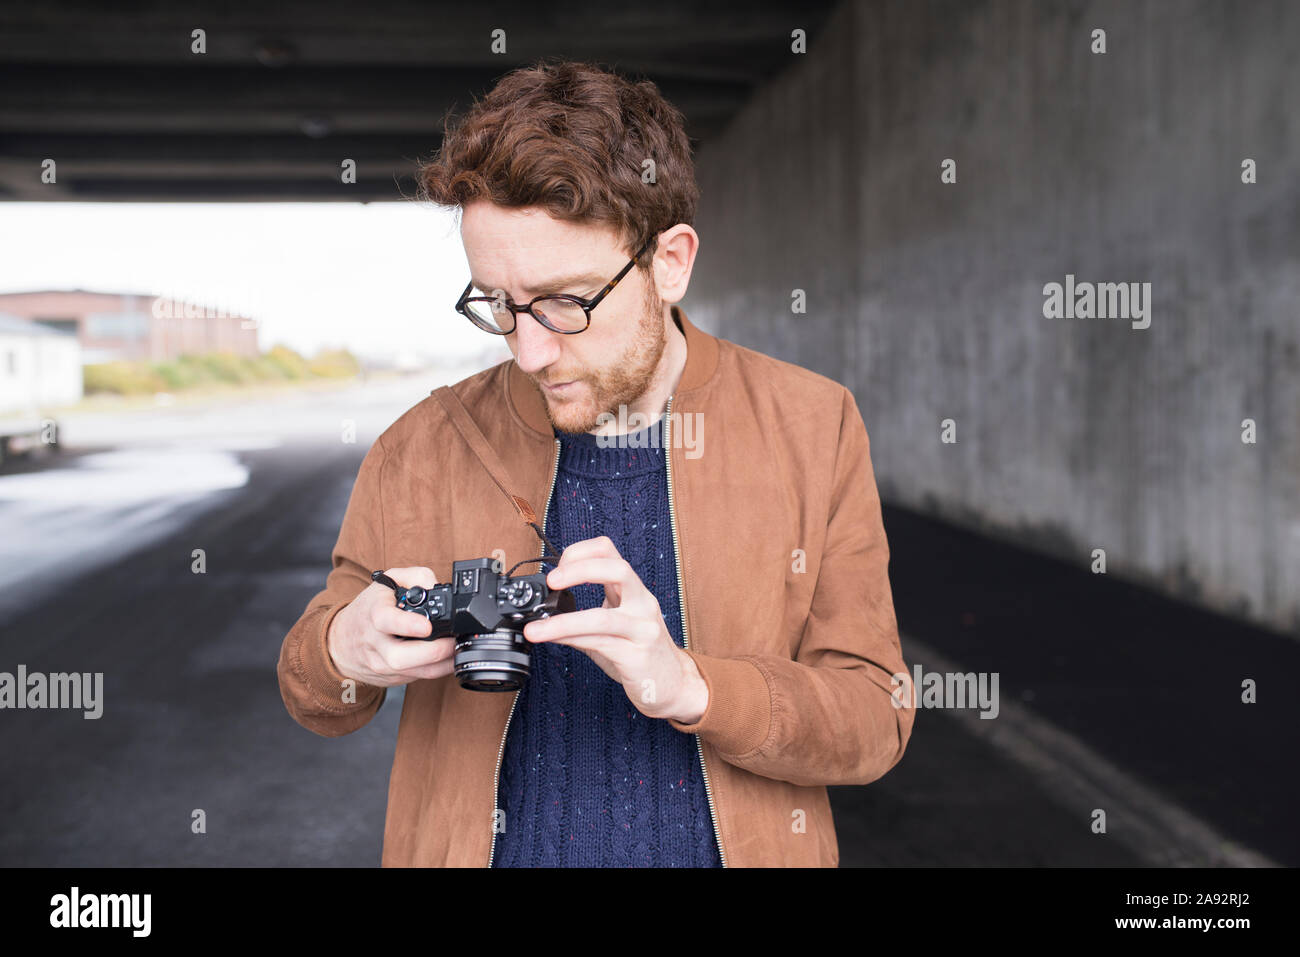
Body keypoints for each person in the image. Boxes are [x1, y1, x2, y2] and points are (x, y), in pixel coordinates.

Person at [276, 58, 914, 867]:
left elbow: (875, 718)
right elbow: (313, 693)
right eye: (498, 304)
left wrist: (692, 685)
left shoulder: (813, 424)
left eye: (566, 301)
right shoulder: (422, 444)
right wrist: (344, 648)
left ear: (670, 262)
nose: (531, 349)